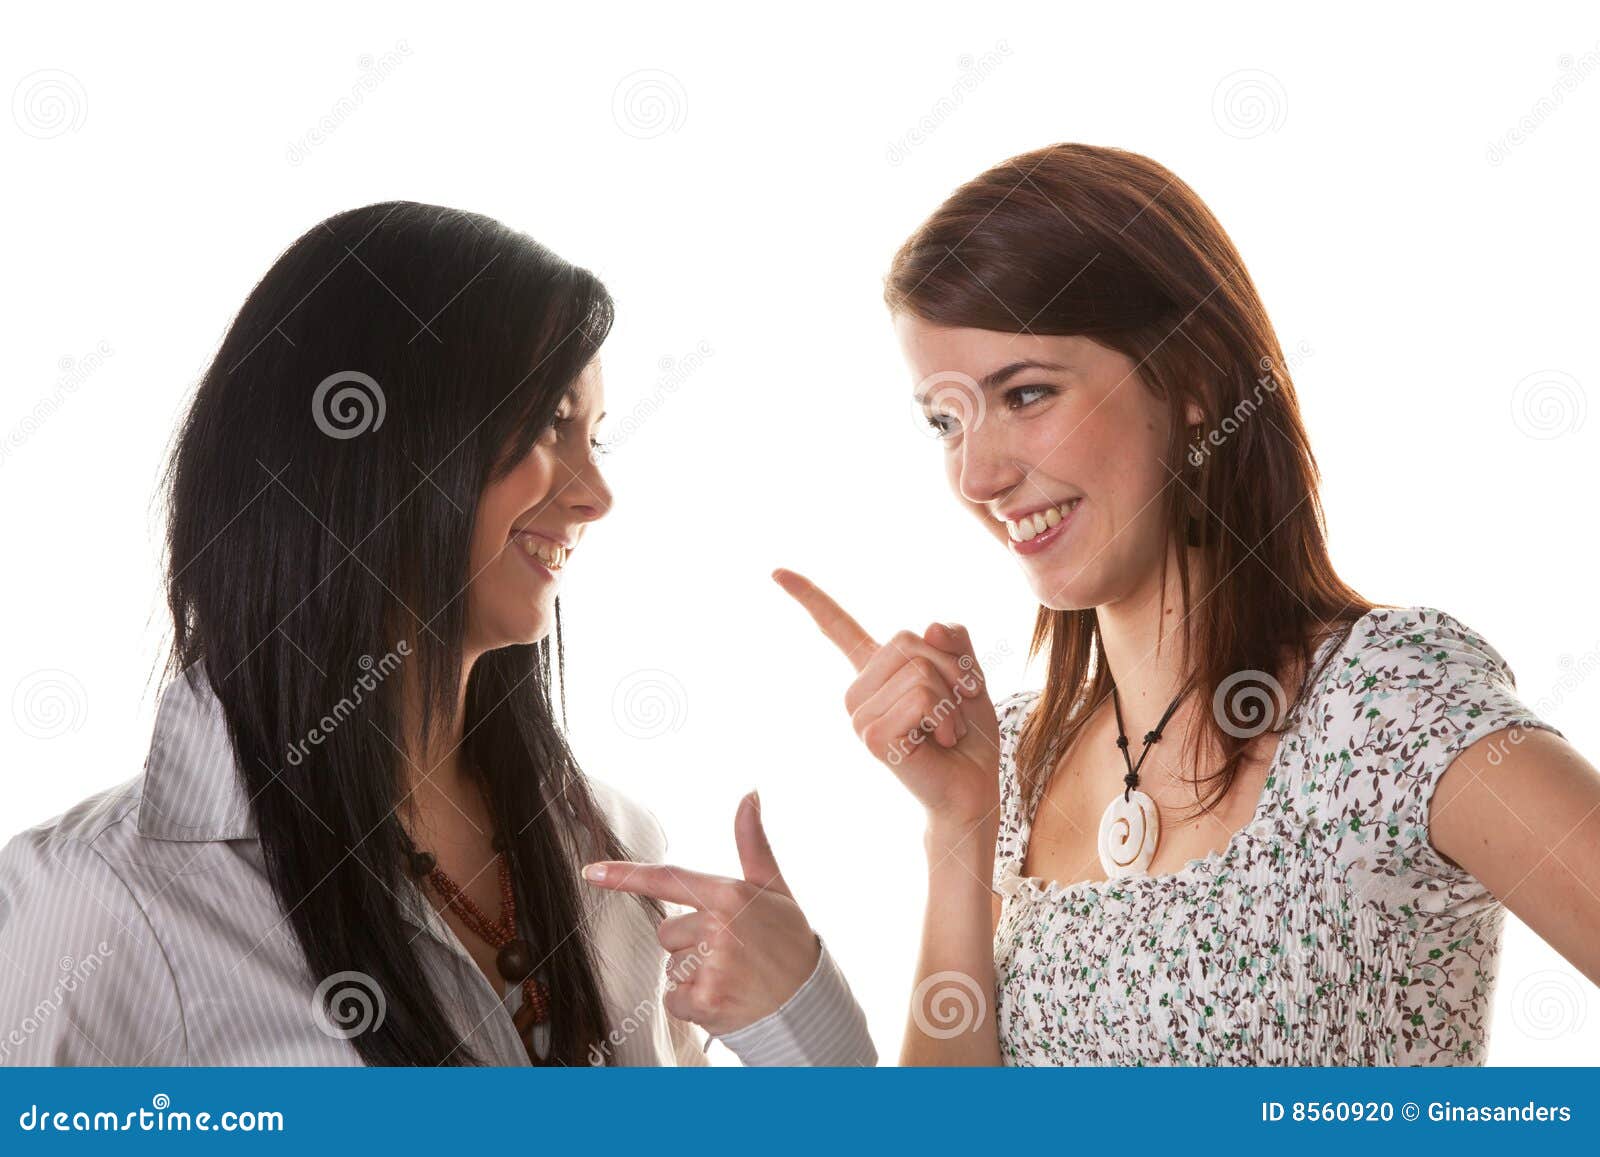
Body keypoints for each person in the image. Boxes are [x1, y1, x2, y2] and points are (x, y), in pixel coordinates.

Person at [774, 143, 1600, 1065]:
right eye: (947, 419)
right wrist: (958, 826)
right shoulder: (1013, 765)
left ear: (1197, 385)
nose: (977, 472)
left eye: (1028, 393)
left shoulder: (1382, 705)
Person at [0, 202, 872, 1067]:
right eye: (549, 425)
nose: (596, 493)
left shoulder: (615, 849)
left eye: (595, 436)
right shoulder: (93, 901)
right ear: (366, 449)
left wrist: (801, 1023)